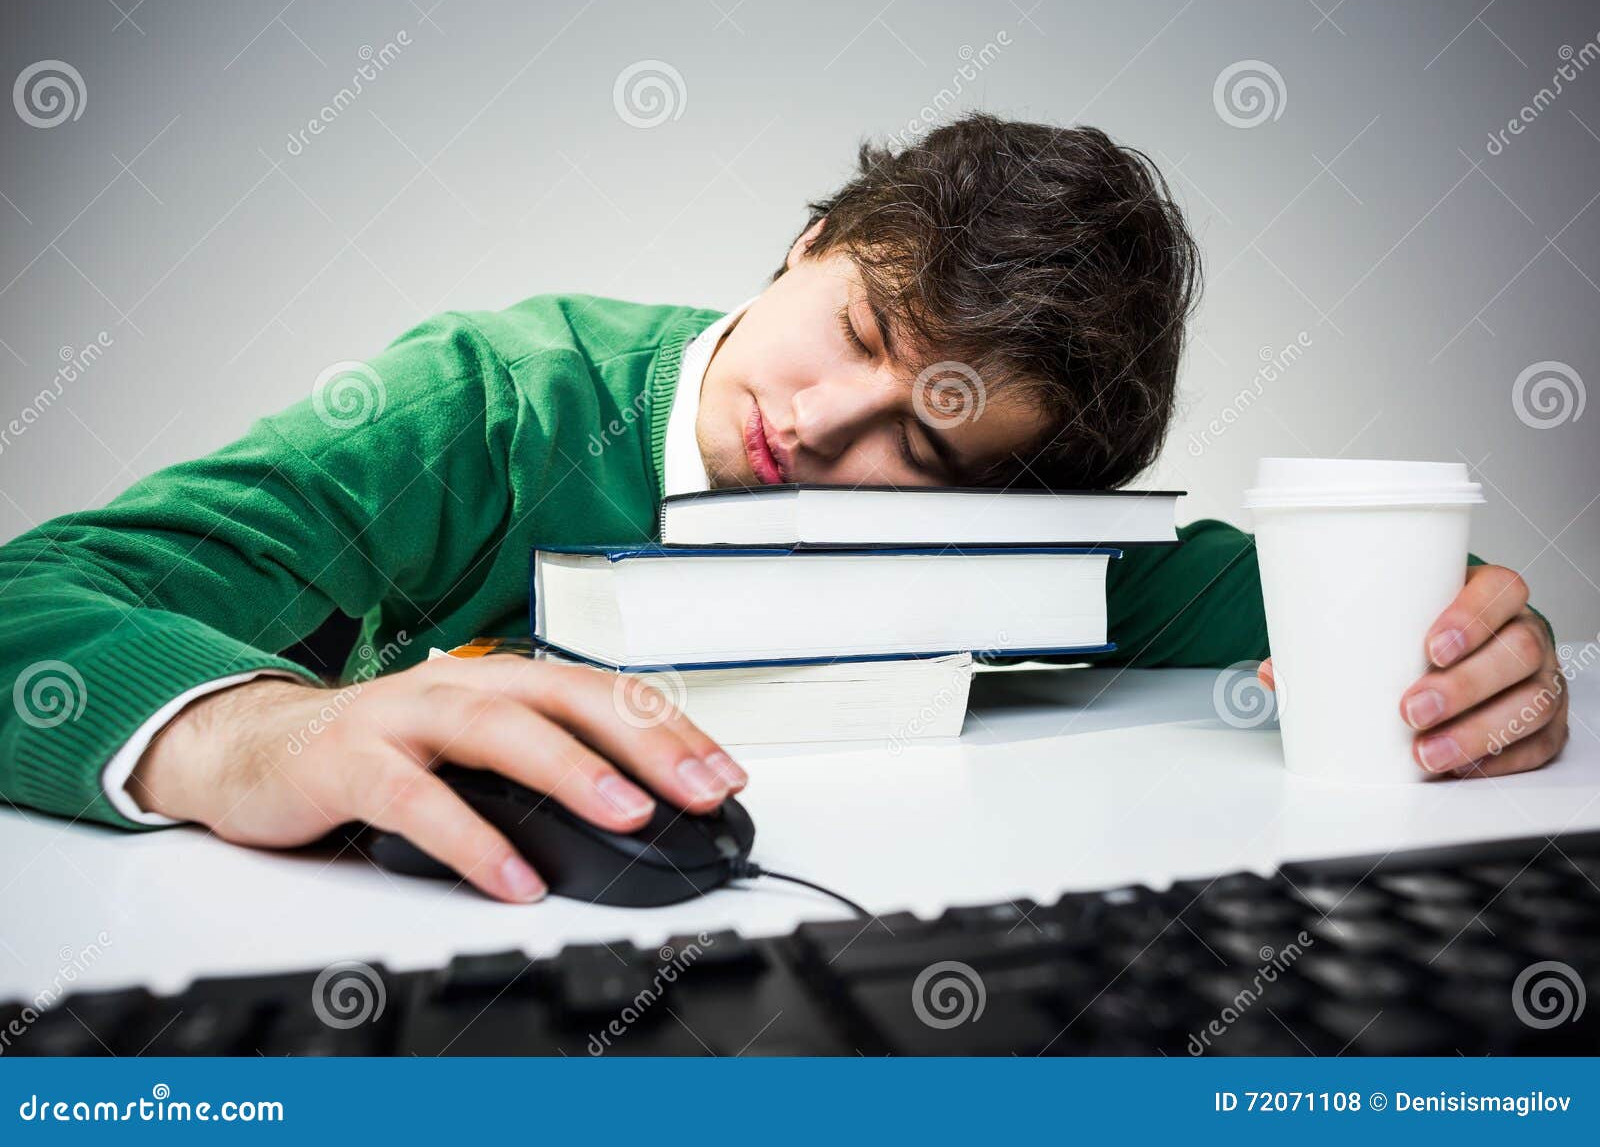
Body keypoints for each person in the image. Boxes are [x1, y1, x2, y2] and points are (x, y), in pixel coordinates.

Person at [0, 115, 1567, 902]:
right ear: (813, 236)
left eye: (932, 453)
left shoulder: (1024, 555)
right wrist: (249, 735)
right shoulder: (483, 403)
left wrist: (1477, 632)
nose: (818, 429)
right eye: (864, 332)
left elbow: (1332, 593)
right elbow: (30, 600)